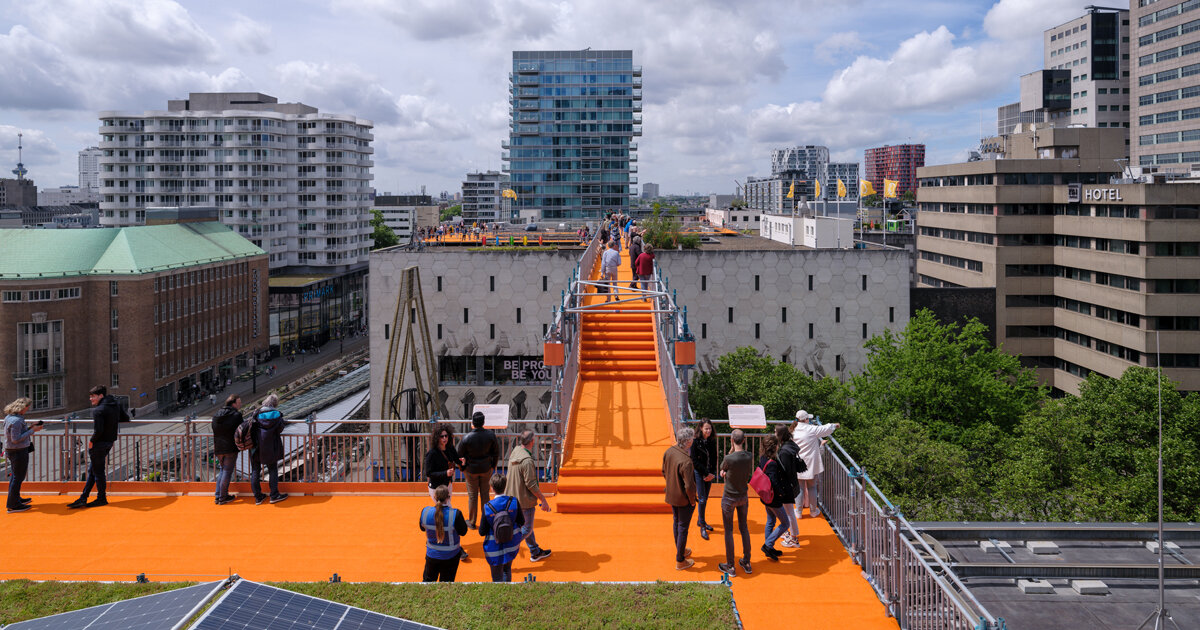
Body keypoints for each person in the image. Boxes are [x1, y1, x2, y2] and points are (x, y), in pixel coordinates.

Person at [68, 385, 126, 509]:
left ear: (101, 396)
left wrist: (91, 441)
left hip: (99, 444)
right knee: (93, 470)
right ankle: (83, 497)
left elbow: (98, 430)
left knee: (98, 472)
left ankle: (101, 498)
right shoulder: (114, 404)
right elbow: (125, 418)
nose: (90, 399)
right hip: (109, 442)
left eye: (93, 396)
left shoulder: (98, 410)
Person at [505, 430, 552, 562]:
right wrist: (543, 499)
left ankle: (535, 551)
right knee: (527, 529)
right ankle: (507, 548)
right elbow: (531, 484)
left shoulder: (515, 451)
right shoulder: (527, 461)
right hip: (524, 501)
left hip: (512, 497)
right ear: (532, 441)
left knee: (525, 527)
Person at [718, 429, 753, 575]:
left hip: (729, 497)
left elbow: (722, 470)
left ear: (732, 440)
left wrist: (731, 451)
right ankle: (746, 561)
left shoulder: (729, 458)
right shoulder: (749, 456)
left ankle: (731, 565)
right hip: (743, 496)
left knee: (729, 531)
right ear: (744, 440)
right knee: (744, 527)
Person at [662, 426, 698, 570]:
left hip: (671, 494)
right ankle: (680, 559)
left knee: (676, 522)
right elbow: (689, 486)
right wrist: (692, 500)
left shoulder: (669, 451)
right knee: (683, 527)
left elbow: (664, 471)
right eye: (692, 439)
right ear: (688, 442)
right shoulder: (686, 461)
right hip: (683, 499)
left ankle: (680, 550)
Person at [458, 411, 501, 530]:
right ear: (483, 422)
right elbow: (496, 452)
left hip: (471, 470)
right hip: (486, 468)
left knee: (472, 496)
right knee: (485, 494)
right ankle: (486, 521)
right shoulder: (490, 435)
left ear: (472, 423)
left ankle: (472, 521)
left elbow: (459, 456)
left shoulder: (466, 438)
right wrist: (493, 466)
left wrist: (462, 468)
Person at [793, 410, 839, 519]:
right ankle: (813, 511)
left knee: (799, 488)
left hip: (797, 462)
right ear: (805, 419)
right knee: (812, 487)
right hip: (810, 463)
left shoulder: (793, 430)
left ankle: (799, 512)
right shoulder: (811, 429)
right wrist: (835, 425)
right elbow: (825, 429)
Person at [480, 472, 525, 582]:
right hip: (511, 544)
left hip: (493, 548)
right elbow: (522, 521)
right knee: (507, 569)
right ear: (505, 486)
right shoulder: (513, 501)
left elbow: (482, 531)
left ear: (492, 488)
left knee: (496, 576)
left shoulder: (487, 507)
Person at [419, 485, 467, 582]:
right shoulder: (455, 514)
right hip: (451, 556)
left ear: (435, 497)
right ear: (448, 497)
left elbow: (422, 528)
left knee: (428, 583)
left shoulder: (425, 511)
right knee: (446, 585)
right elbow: (463, 532)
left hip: (432, 555)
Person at [4, 397, 43, 513]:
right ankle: (13, 504)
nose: (28, 409)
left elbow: (17, 434)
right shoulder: (16, 421)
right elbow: (16, 439)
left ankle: (15, 499)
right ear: (22, 408)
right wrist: (33, 431)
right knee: (18, 477)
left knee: (16, 476)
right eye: (27, 407)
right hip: (18, 451)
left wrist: (31, 427)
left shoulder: (10, 418)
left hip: (14, 450)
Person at [251, 394, 288, 504]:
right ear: (275, 404)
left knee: (255, 470)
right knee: (273, 469)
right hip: (271, 446)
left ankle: (258, 497)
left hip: (256, 446)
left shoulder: (256, 413)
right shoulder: (277, 415)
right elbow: (280, 428)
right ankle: (274, 495)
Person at [758, 436, 790, 561]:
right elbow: (774, 482)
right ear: (775, 447)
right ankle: (767, 545)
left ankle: (769, 548)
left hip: (765, 496)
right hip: (773, 499)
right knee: (785, 523)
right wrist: (782, 493)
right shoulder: (772, 464)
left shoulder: (763, 458)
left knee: (770, 521)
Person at [211, 395, 244, 505]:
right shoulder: (236, 415)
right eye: (239, 402)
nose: (240, 404)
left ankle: (218, 495)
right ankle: (223, 497)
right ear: (233, 403)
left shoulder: (216, 415)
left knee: (222, 470)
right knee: (227, 471)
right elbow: (242, 429)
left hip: (218, 447)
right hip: (230, 447)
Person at [775, 424, 803, 548]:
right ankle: (788, 532)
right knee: (787, 511)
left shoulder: (785, 451)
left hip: (787, 486)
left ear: (780, 434)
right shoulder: (790, 446)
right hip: (791, 483)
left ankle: (794, 538)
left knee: (789, 512)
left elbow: (785, 470)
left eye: (775, 432)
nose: (774, 433)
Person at [690, 419, 718, 540]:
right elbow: (694, 461)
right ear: (701, 428)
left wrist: (712, 473)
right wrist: (706, 473)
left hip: (709, 473)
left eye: (710, 428)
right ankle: (702, 525)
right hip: (699, 472)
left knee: (705, 498)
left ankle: (700, 520)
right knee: (701, 499)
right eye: (706, 428)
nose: (708, 430)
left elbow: (714, 458)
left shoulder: (711, 441)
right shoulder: (695, 442)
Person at [424, 423, 459, 500]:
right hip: (436, 486)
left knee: (447, 506)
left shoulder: (450, 448)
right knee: (443, 507)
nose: (444, 438)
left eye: (446, 436)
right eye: (442, 436)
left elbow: (457, 459)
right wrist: (445, 473)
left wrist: (462, 460)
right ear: (437, 438)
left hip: (448, 484)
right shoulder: (432, 453)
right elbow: (428, 473)